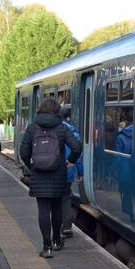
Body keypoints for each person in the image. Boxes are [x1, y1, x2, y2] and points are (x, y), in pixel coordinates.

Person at [20, 96, 79, 257]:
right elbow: (76, 147)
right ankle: (56, 240)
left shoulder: (32, 128)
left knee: (43, 209)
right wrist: (70, 161)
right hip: (57, 174)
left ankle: (46, 247)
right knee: (57, 207)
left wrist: (31, 165)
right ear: (57, 111)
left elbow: (23, 151)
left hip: (39, 175)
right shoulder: (61, 128)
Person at [59, 106, 84, 237]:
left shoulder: (53, 130)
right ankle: (67, 226)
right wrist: (80, 173)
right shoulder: (74, 133)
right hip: (68, 172)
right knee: (65, 198)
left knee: (54, 199)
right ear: (68, 118)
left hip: (53, 171)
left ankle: (56, 227)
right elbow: (78, 156)